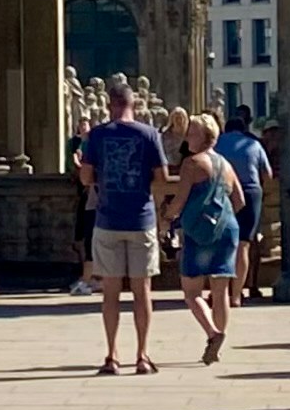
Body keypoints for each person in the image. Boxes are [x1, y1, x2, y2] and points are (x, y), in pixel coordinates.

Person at [77, 79, 171, 376]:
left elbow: (85, 178)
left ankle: (112, 354)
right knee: (142, 291)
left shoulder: (96, 136)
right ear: (134, 104)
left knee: (111, 292)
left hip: (107, 220)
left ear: (109, 105)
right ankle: (142, 355)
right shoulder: (150, 134)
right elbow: (162, 178)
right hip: (141, 218)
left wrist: (96, 177)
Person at [168, 113, 245, 363]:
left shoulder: (192, 164)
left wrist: (167, 215)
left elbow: (179, 200)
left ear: (205, 137)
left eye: (193, 132)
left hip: (200, 231)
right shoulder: (226, 164)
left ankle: (212, 334)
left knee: (192, 291)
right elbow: (240, 201)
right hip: (227, 228)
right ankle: (219, 340)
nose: (187, 136)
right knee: (220, 290)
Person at [214, 105, 273, 299]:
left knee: (222, 241)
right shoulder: (253, 144)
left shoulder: (217, 143)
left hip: (224, 192)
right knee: (243, 244)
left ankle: (221, 291)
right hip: (250, 191)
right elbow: (268, 174)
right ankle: (237, 295)